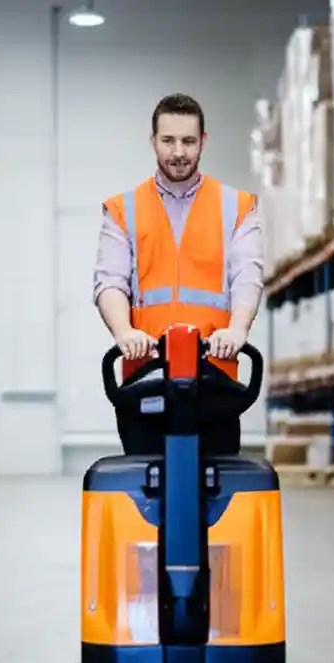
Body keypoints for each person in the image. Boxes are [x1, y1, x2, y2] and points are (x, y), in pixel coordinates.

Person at [92, 93, 264, 456]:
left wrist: (238, 330)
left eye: (188, 141)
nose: (178, 152)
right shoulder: (124, 209)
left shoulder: (236, 206)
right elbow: (110, 281)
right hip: (146, 372)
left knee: (216, 496)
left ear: (203, 141)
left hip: (214, 377)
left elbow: (247, 275)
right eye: (168, 140)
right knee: (145, 493)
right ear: (152, 140)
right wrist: (124, 333)